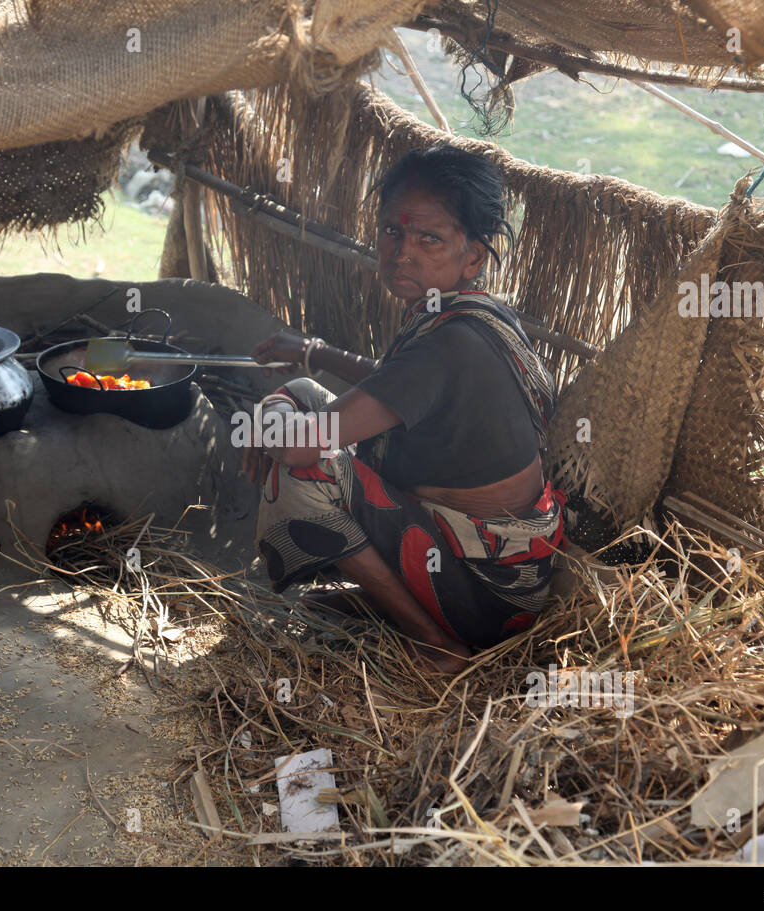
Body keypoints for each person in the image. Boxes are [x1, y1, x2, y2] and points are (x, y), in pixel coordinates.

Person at [241, 144, 565, 674]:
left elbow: (303, 446)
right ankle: (384, 603)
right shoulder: (467, 318)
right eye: (393, 231)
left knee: (306, 466)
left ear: (474, 257)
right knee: (300, 392)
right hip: (504, 574)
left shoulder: (448, 343)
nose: (402, 252)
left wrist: (263, 422)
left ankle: (436, 645)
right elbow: (395, 391)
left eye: (428, 239)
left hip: (487, 593)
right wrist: (310, 354)